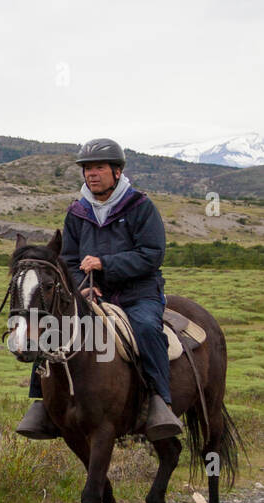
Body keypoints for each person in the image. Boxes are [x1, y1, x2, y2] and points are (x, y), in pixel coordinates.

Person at [17, 138, 181, 441]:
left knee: (146, 328)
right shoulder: (78, 211)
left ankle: (160, 401)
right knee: (50, 325)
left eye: (99, 168)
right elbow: (67, 259)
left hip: (138, 293)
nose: (92, 174)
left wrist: (106, 264)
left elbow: (152, 254)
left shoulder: (140, 207)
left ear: (117, 172)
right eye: (87, 169)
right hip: (91, 292)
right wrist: (82, 289)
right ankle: (41, 402)